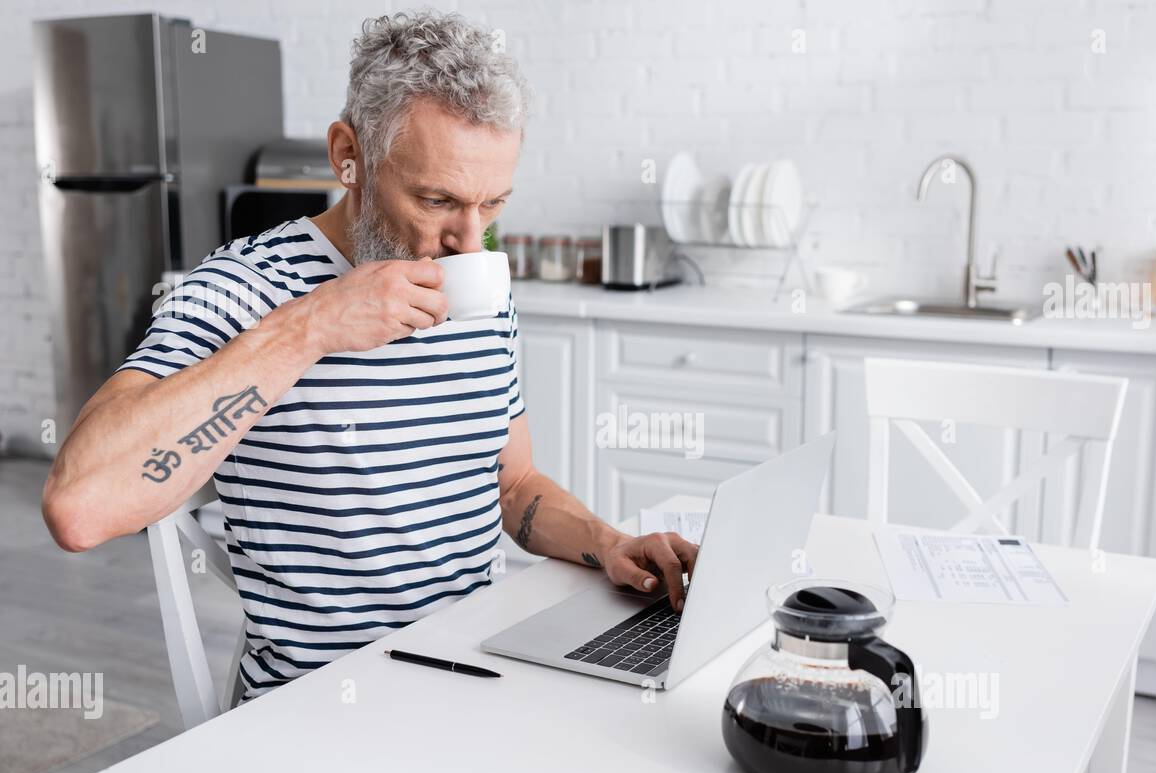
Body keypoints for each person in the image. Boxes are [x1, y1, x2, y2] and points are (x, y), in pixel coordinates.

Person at [41, 11, 697, 701]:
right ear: (347, 154)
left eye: (493, 203)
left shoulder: (480, 284)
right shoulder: (241, 289)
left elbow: (512, 484)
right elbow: (79, 508)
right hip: (324, 711)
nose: (470, 242)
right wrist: (309, 328)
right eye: (437, 199)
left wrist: (609, 542)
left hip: (480, 677)